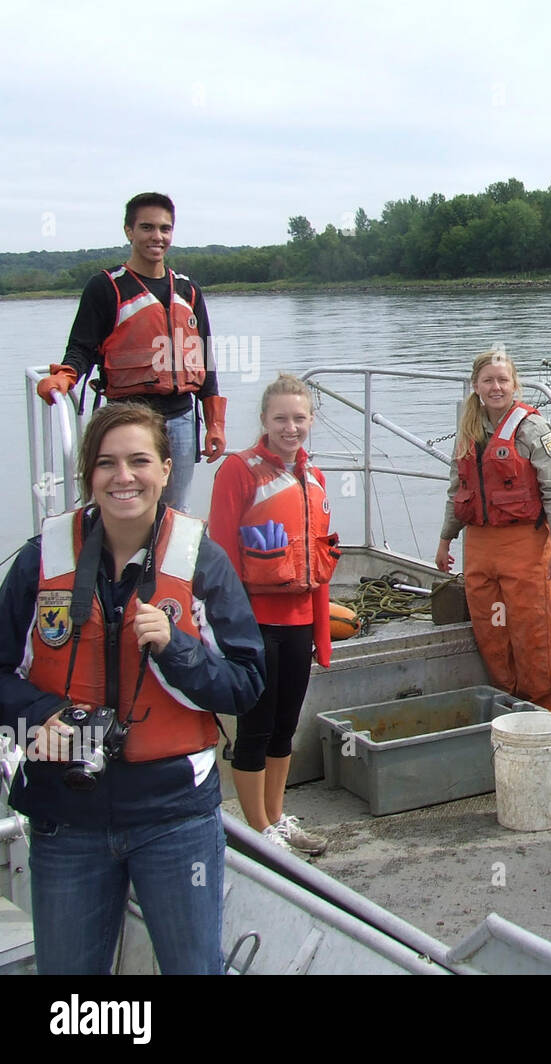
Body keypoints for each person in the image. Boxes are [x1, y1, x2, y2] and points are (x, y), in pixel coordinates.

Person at [0, 403, 263, 974]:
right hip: (64, 816)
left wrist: (177, 647)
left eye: (140, 460)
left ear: (167, 469)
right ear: (88, 476)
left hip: (175, 818)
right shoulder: (37, 563)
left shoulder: (202, 563)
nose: (124, 477)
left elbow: (246, 682)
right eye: (107, 464)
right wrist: (40, 714)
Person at [208, 375, 338, 855]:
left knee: (285, 726)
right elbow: (220, 556)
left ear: (311, 421)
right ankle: (257, 828)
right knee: (256, 728)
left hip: (299, 623)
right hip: (254, 628)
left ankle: (277, 817)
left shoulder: (316, 477)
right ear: (263, 420)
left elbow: (321, 563)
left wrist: (321, 637)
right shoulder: (238, 472)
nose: (291, 427)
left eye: (299, 418)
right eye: (281, 418)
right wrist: (227, 632)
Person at [35, 192, 227, 513]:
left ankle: (163, 565)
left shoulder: (188, 290)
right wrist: (65, 377)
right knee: (126, 508)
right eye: (147, 228)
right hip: (126, 418)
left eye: (165, 229)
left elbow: (204, 359)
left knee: (173, 513)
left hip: (180, 420)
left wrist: (215, 423)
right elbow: (81, 347)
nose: (157, 237)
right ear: (129, 231)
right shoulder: (106, 287)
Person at [435, 351, 551, 713]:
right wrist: (445, 539)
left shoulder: (534, 429)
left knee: (533, 631)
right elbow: (457, 489)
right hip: (479, 545)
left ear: (515, 385)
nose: (496, 387)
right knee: (492, 630)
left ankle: (548, 711)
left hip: (524, 545)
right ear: (476, 386)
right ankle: (508, 704)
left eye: (502, 380)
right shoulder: (468, 429)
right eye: (488, 380)